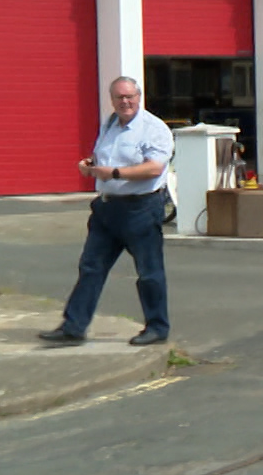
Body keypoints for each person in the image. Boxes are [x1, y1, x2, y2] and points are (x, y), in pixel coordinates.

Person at [40, 77, 175, 347]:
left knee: (149, 272)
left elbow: (154, 168)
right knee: (91, 267)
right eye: (119, 97)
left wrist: (114, 173)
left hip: (141, 208)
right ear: (111, 99)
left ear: (139, 96)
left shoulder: (153, 129)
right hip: (107, 208)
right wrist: (90, 164)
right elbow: (104, 156)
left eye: (130, 97)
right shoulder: (111, 123)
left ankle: (157, 327)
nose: (125, 102)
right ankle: (74, 326)